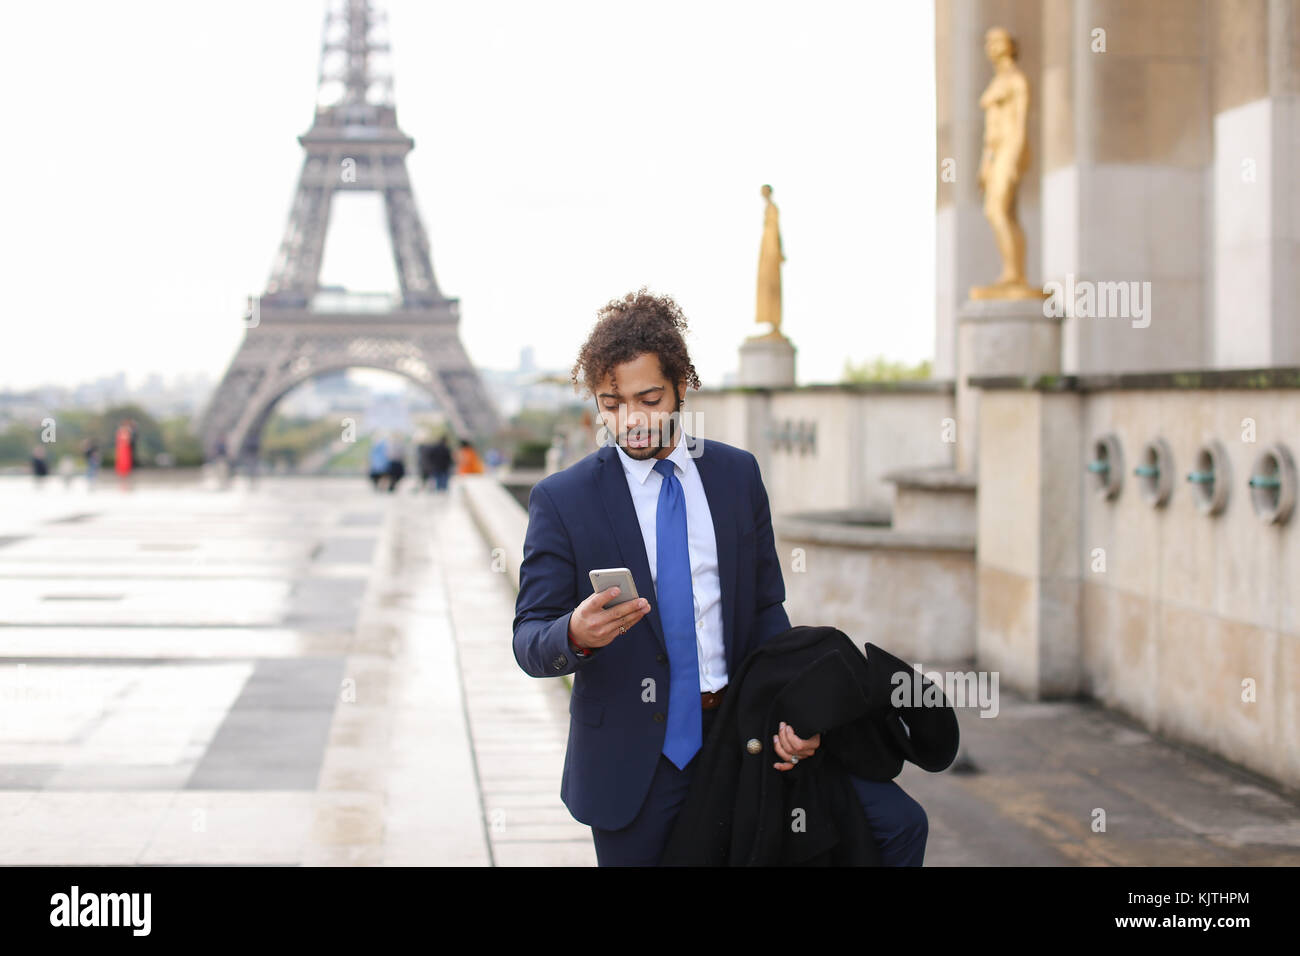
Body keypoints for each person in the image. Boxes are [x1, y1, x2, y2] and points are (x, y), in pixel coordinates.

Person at [511, 288, 928, 866]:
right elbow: (529, 639)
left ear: (683, 384)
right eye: (611, 404)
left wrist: (798, 714)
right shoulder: (563, 499)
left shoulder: (735, 475)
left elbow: (765, 609)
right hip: (635, 767)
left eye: (649, 397)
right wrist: (575, 635)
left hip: (741, 734)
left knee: (899, 826)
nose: (630, 419)